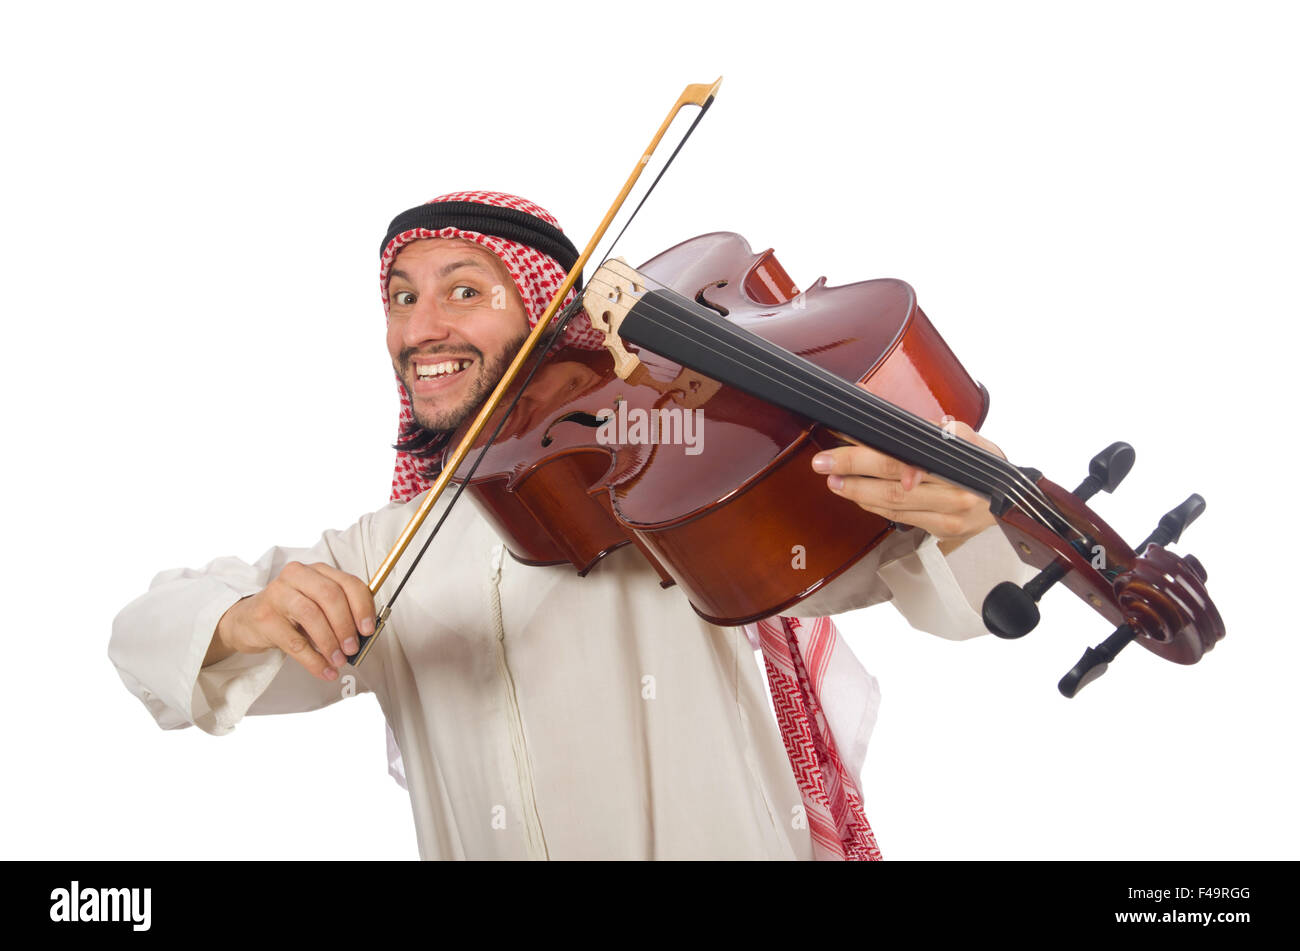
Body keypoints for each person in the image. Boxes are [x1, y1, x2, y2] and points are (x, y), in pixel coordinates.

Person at [109, 190, 1031, 860]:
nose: (419, 326)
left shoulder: (672, 489)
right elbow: (146, 639)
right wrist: (239, 620)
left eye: (464, 291)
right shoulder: (384, 550)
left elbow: (936, 591)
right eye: (400, 296)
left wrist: (953, 520)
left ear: (551, 312)